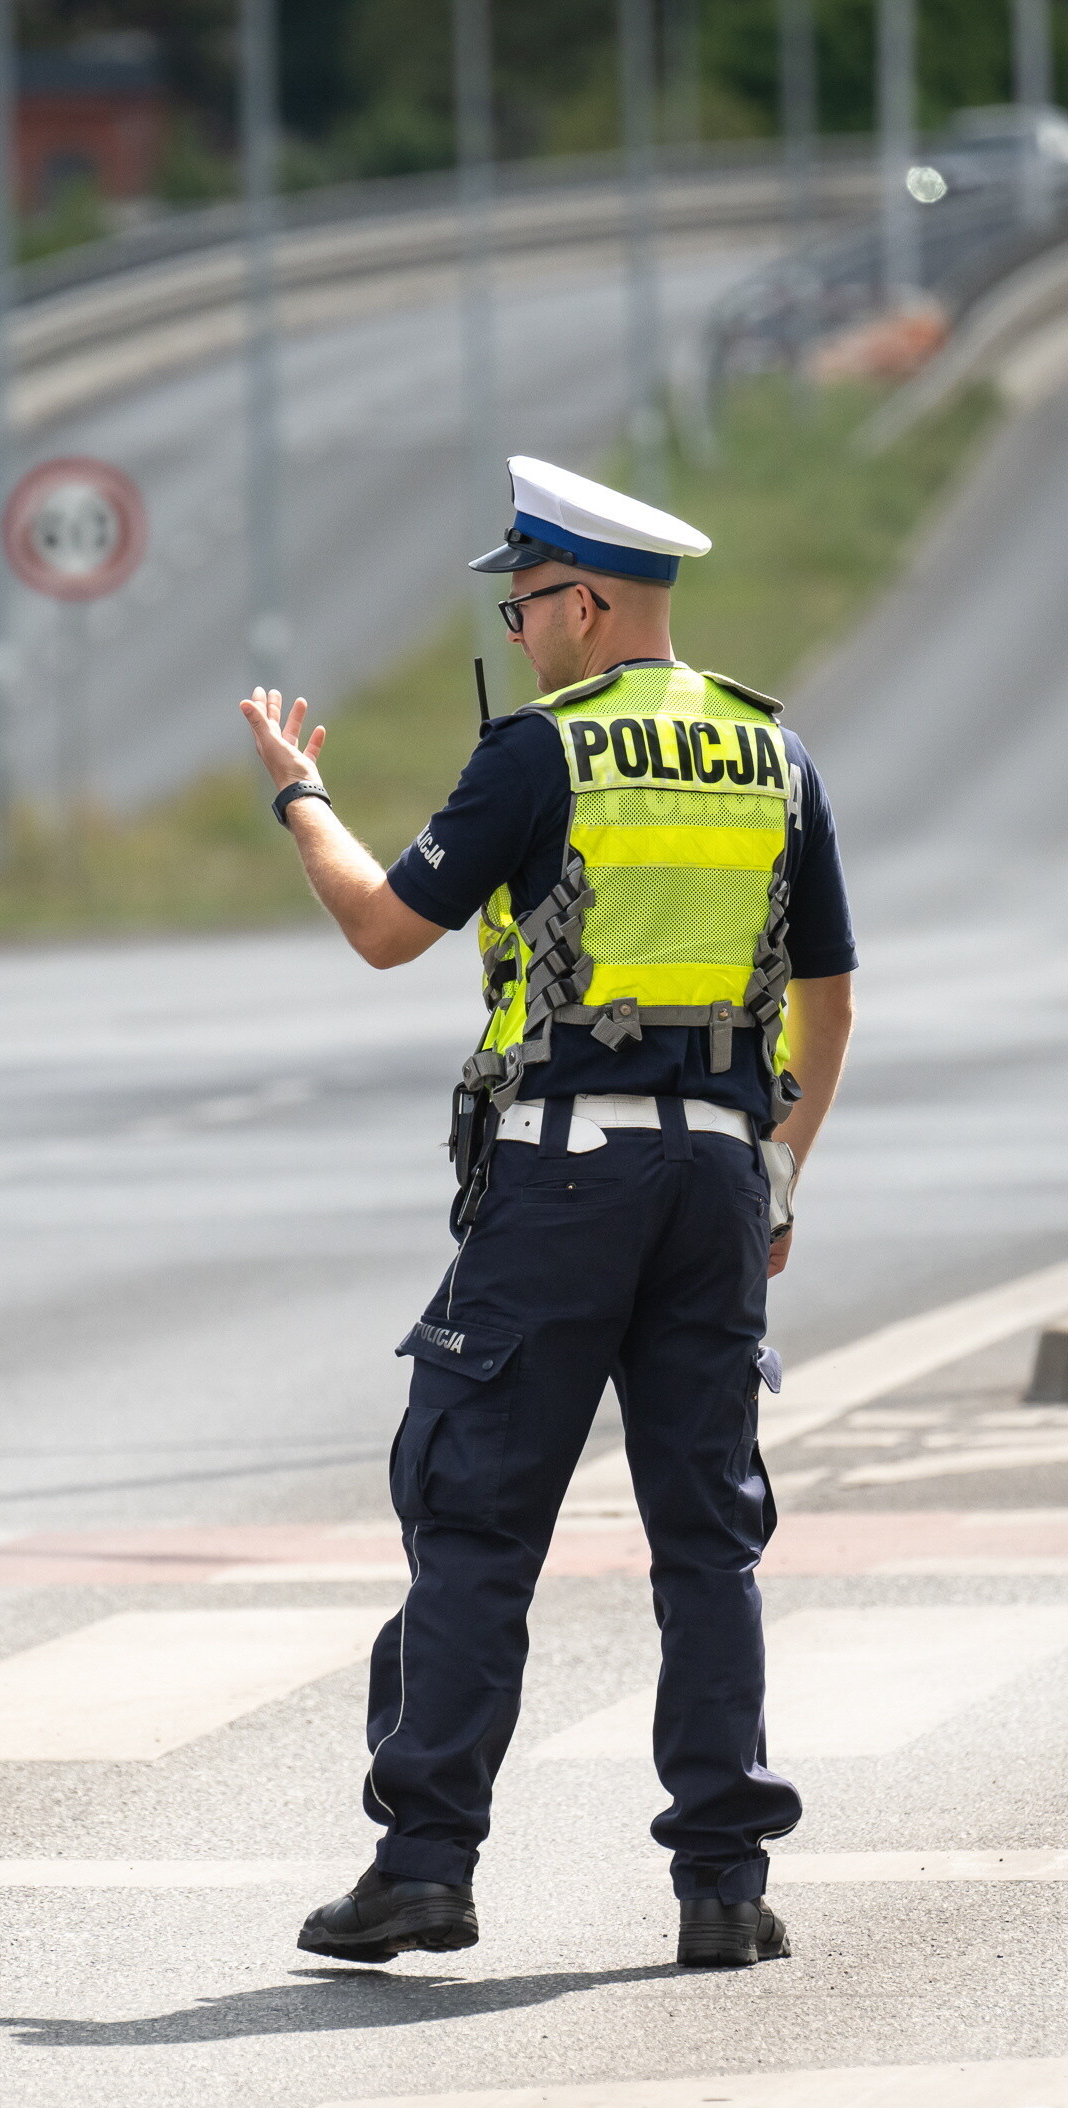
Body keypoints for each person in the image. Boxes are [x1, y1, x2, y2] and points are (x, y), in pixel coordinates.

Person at [233, 455, 857, 1971]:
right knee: (707, 1538)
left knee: (475, 1523)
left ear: (587, 603)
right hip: (720, 1178)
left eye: (522, 610)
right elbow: (830, 994)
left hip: (565, 1179)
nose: (516, 637)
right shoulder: (773, 752)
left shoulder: (541, 755)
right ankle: (724, 1886)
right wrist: (780, 1167)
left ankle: (424, 1865)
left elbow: (385, 927)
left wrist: (302, 800)